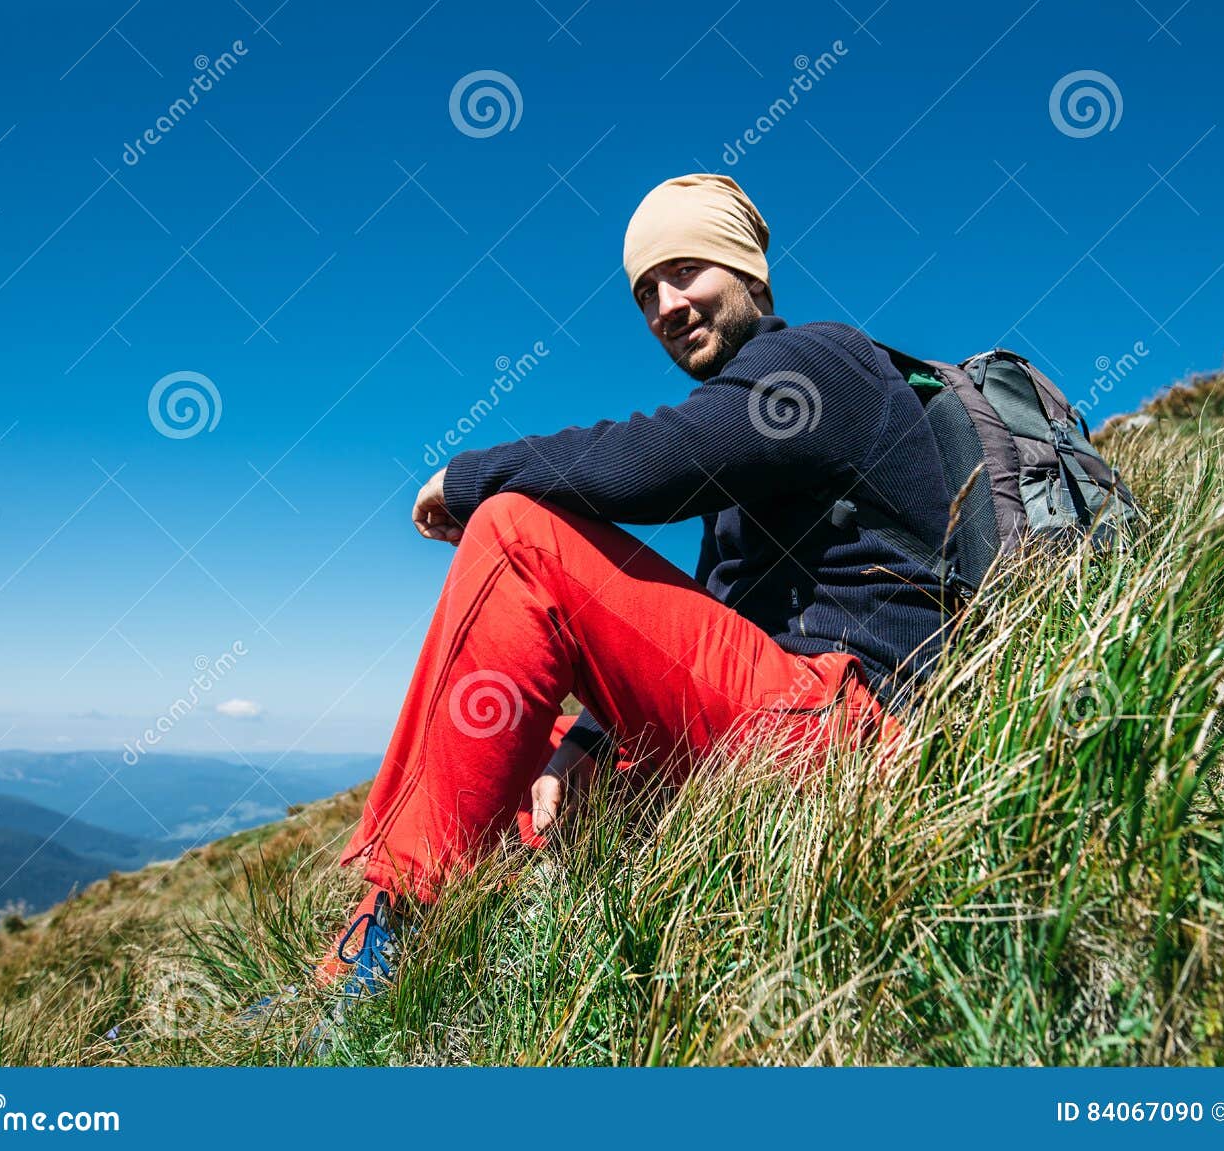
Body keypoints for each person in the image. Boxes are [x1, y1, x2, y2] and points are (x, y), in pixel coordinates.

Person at [315, 173, 954, 990]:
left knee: (516, 533)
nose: (666, 306)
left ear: (752, 273)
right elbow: (700, 627)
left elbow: (655, 464)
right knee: (521, 735)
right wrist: (580, 748)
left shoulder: (815, 363)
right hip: (786, 717)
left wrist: (471, 476)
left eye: (687, 271)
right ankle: (480, 912)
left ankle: (391, 942)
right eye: (646, 291)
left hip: (853, 736)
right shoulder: (752, 475)